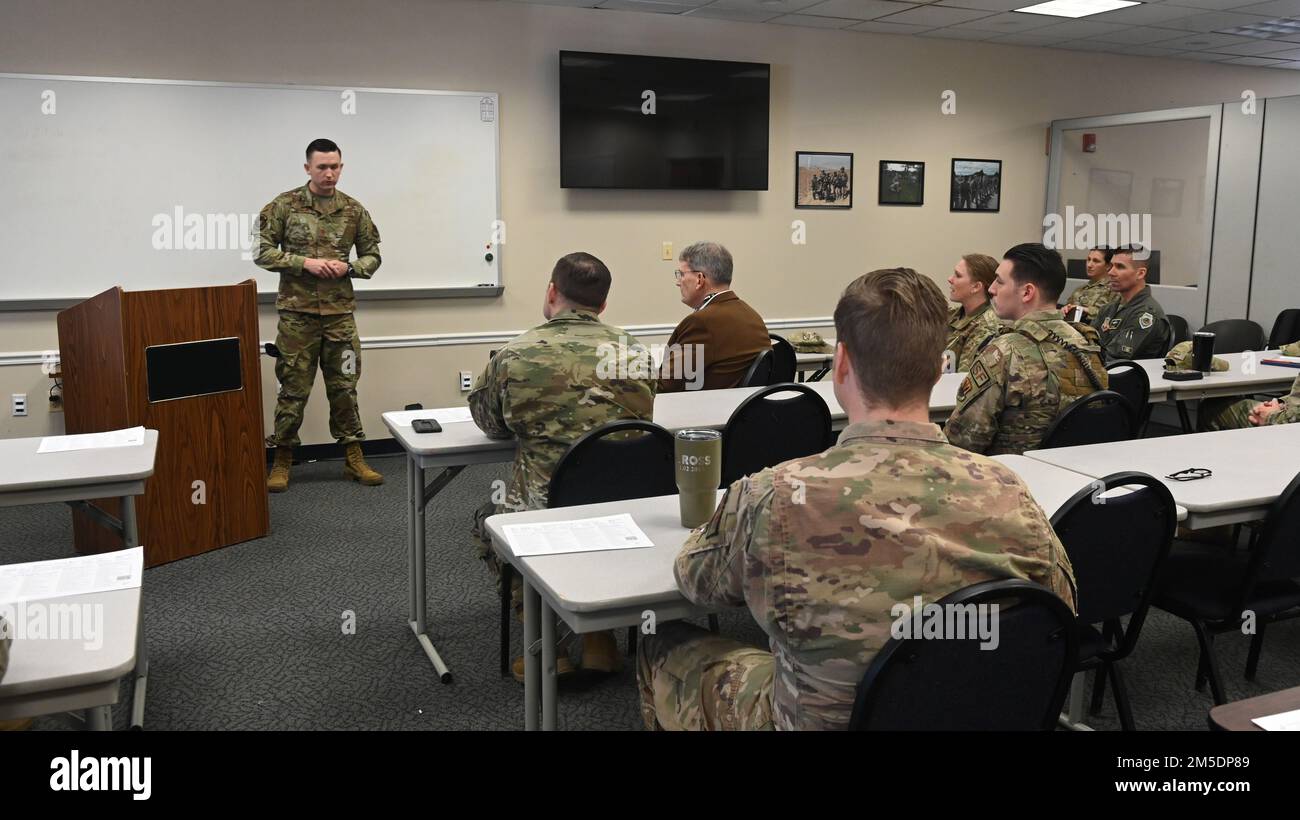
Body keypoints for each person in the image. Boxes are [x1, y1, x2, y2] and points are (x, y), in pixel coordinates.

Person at [636, 267, 1077, 731]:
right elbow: (1059, 614)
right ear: (938, 368)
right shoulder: (1010, 492)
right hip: (966, 716)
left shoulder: (774, 495)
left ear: (841, 363)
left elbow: (697, 581)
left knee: (662, 645)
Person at [469, 252, 656, 679]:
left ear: (552, 291)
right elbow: (639, 422)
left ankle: (545, 643)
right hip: (623, 507)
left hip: (542, 510)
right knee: (592, 529)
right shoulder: (636, 351)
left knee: (486, 522)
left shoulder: (516, 355)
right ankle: (598, 637)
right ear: (603, 305)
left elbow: (490, 424)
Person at [256, 138, 384, 491]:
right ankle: (282, 459)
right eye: (322, 167)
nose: (330, 174)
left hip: (340, 316)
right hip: (297, 317)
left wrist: (350, 268)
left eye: (336, 167)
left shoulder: (354, 210)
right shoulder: (284, 206)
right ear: (307, 168)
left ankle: (353, 457)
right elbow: (263, 253)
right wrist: (304, 263)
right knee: (293, 388)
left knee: (345, 388)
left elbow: (373, 256)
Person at [945, 244, 1107, 456]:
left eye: (1000, 282)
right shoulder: (1086, 342)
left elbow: (963, 441)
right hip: (1073, 478)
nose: (991, 289)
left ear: (1027, 292)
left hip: (1007, 479)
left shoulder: (1003, 352)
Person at [659, 242, 770, 392]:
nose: (678, 282)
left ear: (699, 279)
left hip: (702, 411)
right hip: (740, 408)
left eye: (682, 274)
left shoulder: (702, 323)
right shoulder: (752, 315)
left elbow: (666, 385)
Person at [1092, 246, 1172, 361]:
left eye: (1120, 267)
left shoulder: (1146, 313)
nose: (1111, 272)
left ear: (1140, 273)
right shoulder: (1108, 308)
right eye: (1111, 266)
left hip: (1121, 376)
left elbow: (1114, 359)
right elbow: (1087, 341)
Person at [944, 253, 1002, 373]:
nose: (950, 279)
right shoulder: (953, 315)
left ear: (976, 287)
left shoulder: (986, 329)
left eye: (958, 275)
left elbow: (963, 381)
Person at [1198, 373, 1300, 431]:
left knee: (1211, 408)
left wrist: (1271, 417)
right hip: (1291, 410)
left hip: (1291, 426)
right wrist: (1279, 404)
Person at [1060, 247, 1118, 323]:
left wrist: (1086, 310)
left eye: (1096, 261)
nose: (1089, 265)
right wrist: (1065, 310)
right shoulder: (1080, 289)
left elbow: (1113, 315)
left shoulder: (1114, 289)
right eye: (1088, 259)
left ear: (1108, 266)